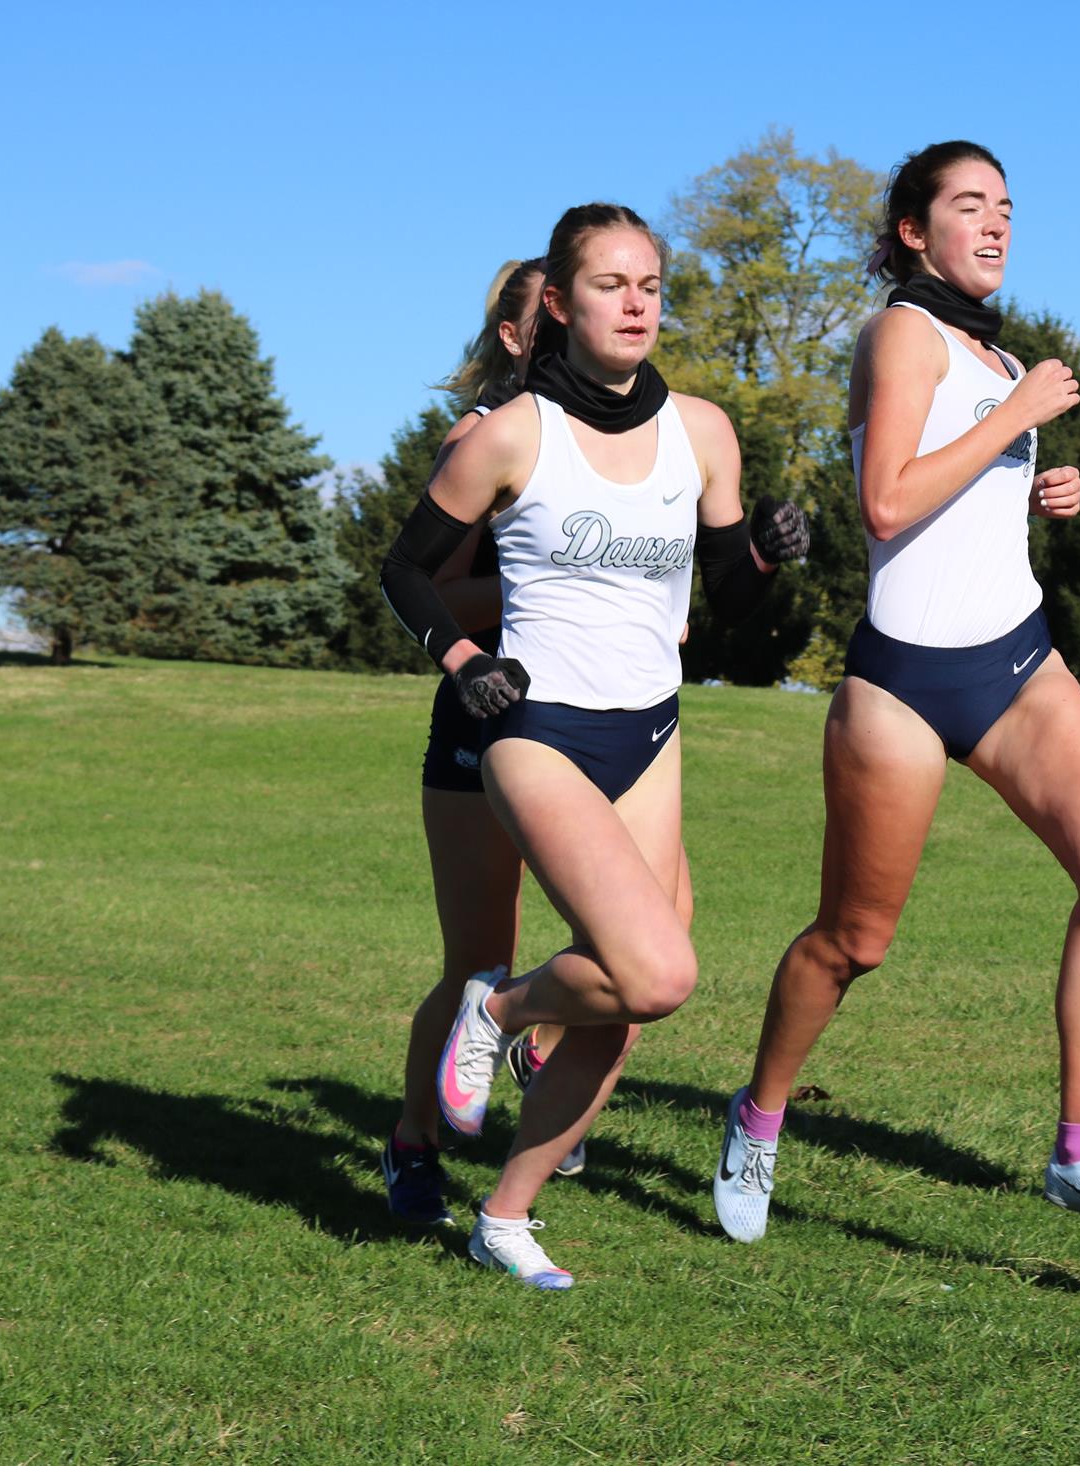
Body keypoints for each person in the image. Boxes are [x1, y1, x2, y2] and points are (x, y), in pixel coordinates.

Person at [710, 141, 1080, 1244]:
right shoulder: (900, 332)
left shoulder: (992, 351)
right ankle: (758, 1115)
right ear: (913, 230)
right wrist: (1015, 420)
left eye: (1008, 206)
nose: (997, 222)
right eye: (970, 205)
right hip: (904, 683)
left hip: (1015, 657)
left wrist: (1040, 481)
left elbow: (960, 495)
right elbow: (884, 505)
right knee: (853, 941)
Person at [380, 203, 809, 1286]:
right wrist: (459, 659)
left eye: (651, 285)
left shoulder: (704, 432)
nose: (636, 303)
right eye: (612, 284)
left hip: (652, 731)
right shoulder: (511, 432)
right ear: (559, 305)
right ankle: (500, 1008)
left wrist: (761, 556)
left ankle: (508, 1215)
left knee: (623, 998)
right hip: (538, 729)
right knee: (655, 968)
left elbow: (729, 611)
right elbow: (405, 569)